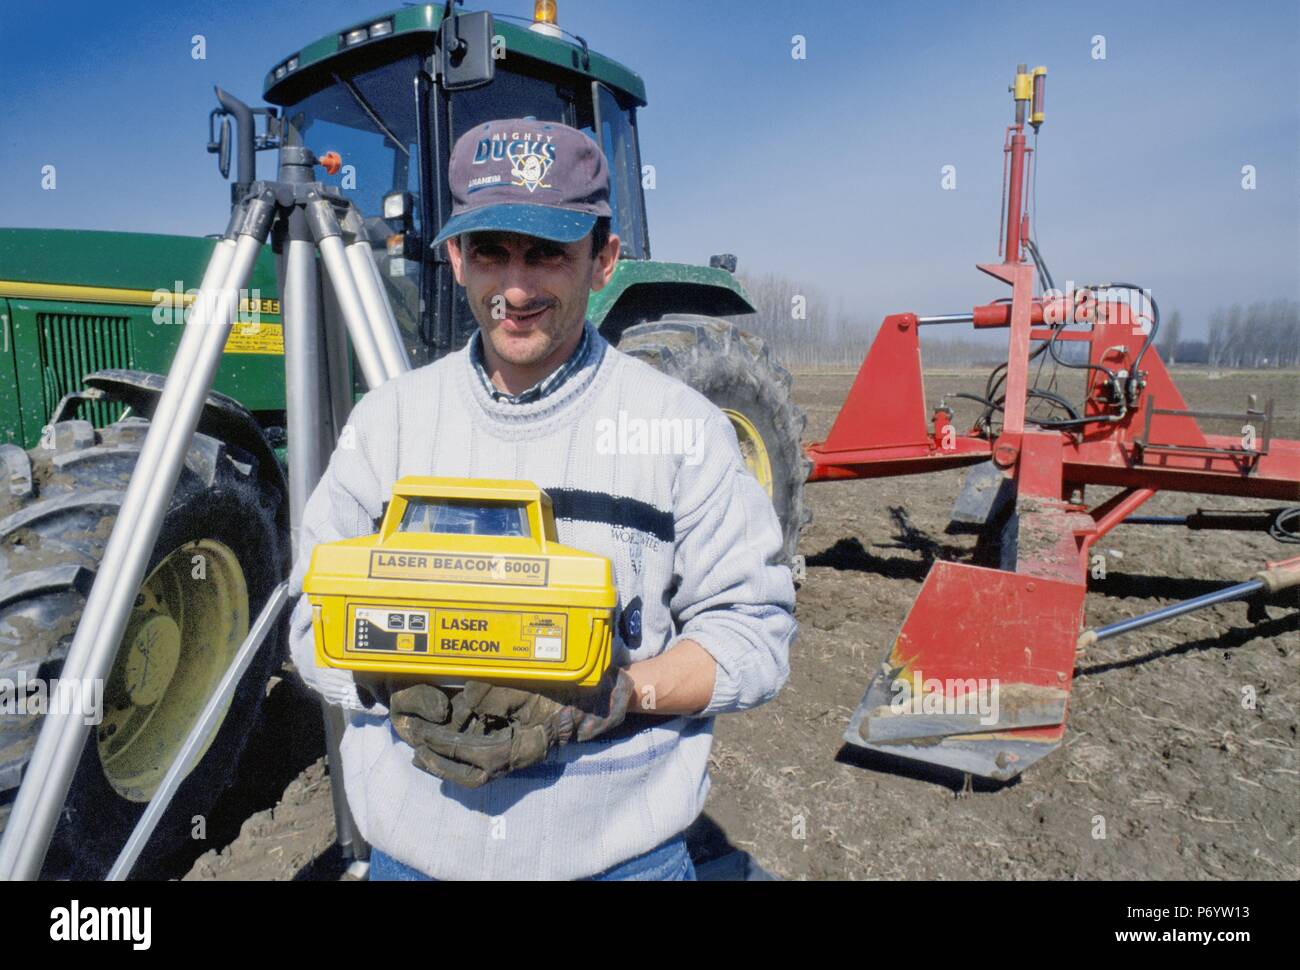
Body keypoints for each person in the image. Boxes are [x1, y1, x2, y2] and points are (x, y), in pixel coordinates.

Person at [287, 118, 796, 881]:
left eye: (548, 252)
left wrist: (621, 693)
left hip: (622, 862)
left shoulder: (680, 429)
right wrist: (388, 678)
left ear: (604, 260)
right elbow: (306, 617)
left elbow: (754, 633)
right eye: (492, 250)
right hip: (417, 856)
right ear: (457, 258)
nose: (516, 289)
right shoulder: (387, 427)